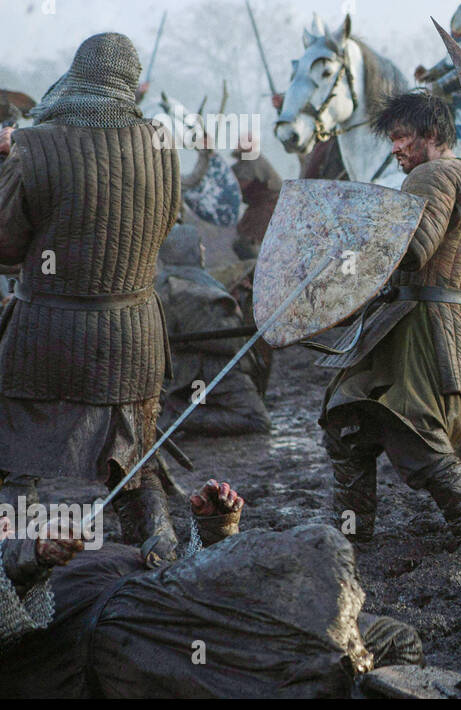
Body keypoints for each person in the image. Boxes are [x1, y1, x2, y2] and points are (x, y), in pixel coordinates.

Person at [0, 32, 182, 566]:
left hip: (46, 336)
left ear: (77, 74)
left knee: (14, 450)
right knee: (136, 455)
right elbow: (167, 223)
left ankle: (21, 557)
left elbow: (6, 245)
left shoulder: (35, 143)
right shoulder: (161, 142)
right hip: (136, 334)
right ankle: (159, 548)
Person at [0, 479, 424, 697]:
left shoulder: (65, 550)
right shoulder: (24, 558)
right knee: (305, 669)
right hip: (129, 632)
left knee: (395, 639)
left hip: (177, 595)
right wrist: (29, 553)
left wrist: (216, 530)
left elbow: (182, 573)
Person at [320, 89, 461, 547]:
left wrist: (356, 231)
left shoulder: (431, 176)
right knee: (350, 421)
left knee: (413, 431)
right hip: (445, 320)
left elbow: (413, 250)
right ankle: (350, 531)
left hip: (421, 328)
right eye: (392, 139)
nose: (396, 148)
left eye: (403, 137)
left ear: (431, 134)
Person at [155, 225, 271, 436]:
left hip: (190, 371)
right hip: (204, 370)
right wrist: (235, 309)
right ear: (186, 251)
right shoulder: (187, 293)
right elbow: (227, 343)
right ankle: (177, 416)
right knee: (257, 421)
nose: (203, 249)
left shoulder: (171, 282)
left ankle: (186, 411)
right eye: (199, 245)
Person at [229, 130, 282, 260]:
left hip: (269, 205)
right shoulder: (242, 163)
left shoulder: (253, 161)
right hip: (258, 205)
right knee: (243, 236)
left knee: (250, 241)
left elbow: (238, 187)